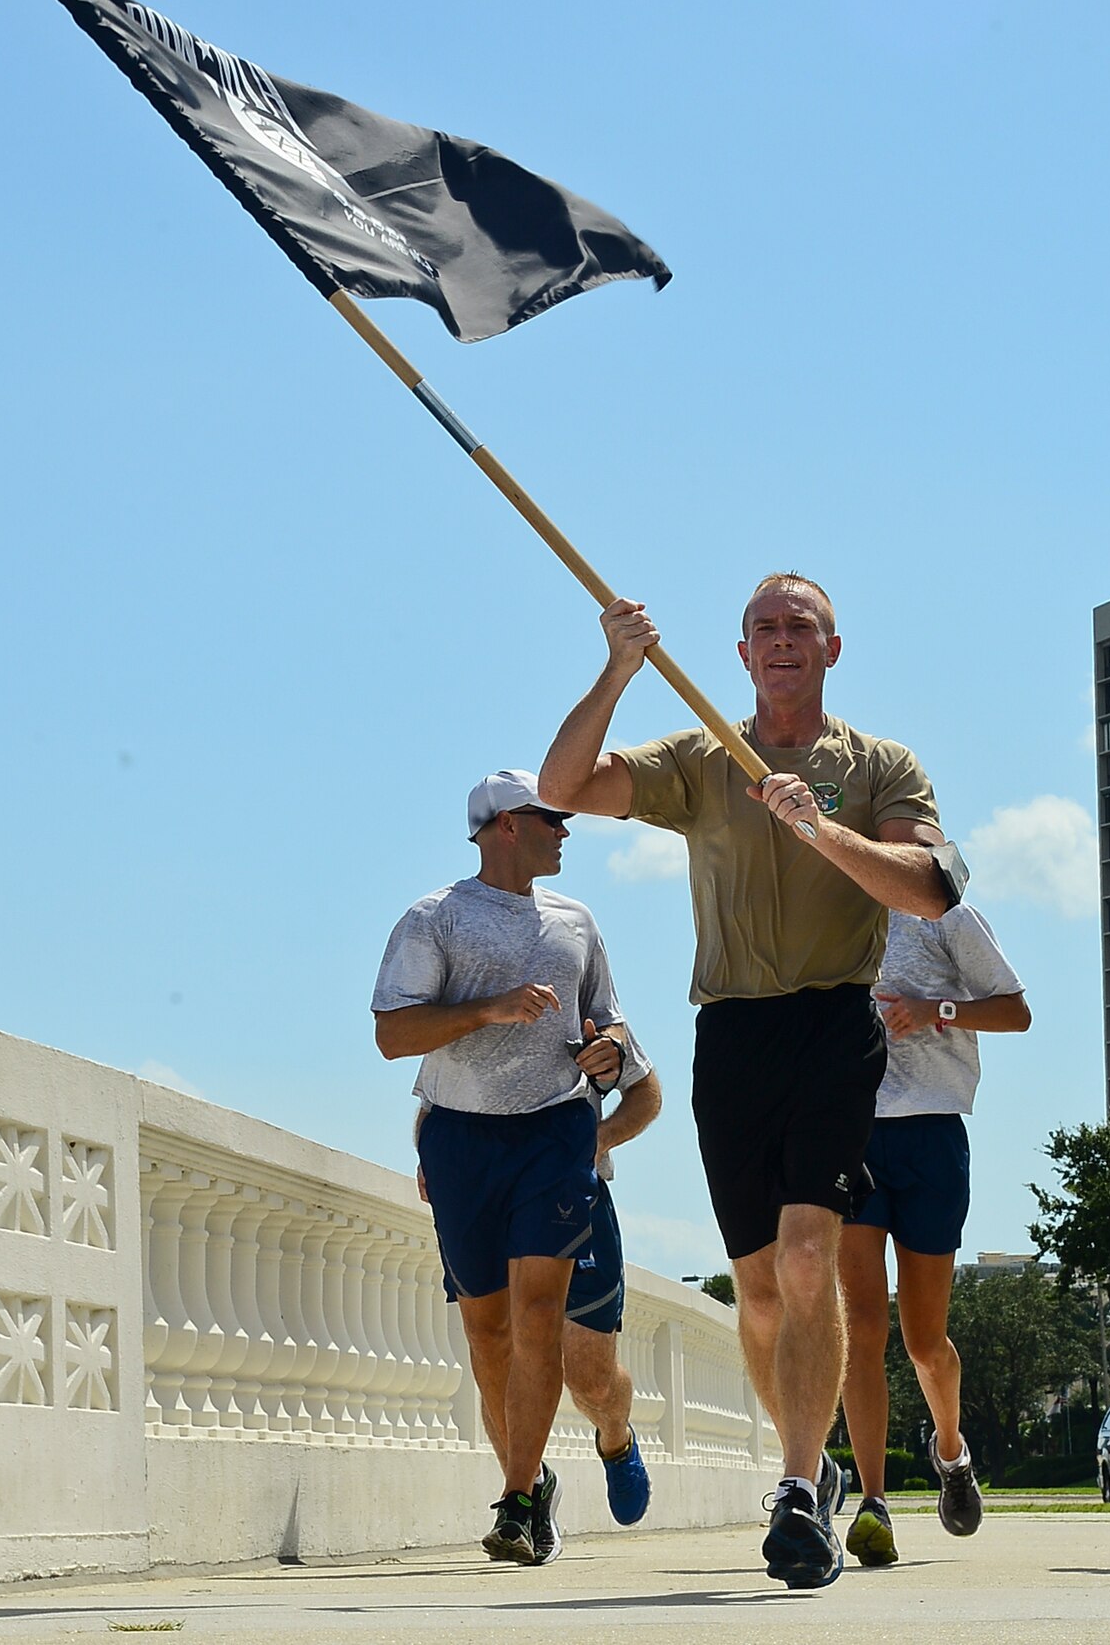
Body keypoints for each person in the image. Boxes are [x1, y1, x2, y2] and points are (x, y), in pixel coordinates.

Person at [539, 574, 956, 1589]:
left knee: (811, 1258)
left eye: (797, 627)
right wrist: (618, 667)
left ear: (829, 647)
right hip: (728, 1035)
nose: (780, 641)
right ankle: (799, 1470)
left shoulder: (879, 765)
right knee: (762, 1291)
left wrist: (819, 828)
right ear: (740, 653)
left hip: (831, 1023)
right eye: (763, 629)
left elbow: (931, 891)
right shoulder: (697, 758)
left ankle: (802, 1488)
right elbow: (559, 787)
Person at [373, 769, 647, 1567]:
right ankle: (528, 1481)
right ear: (502, 827)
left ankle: (519, 1502)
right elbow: (394, 1035)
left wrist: (610, 1049)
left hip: (556, 1134)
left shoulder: (577, 920)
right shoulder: (436, 918)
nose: (566, 830)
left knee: (537, 1318)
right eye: (549, 818)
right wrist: (489, 1009)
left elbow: (614, 1021)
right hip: (461, 1140)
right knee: (488, 1333)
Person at [838, 895, 1031, 1567]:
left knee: (925, 1341)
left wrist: (934, 1010)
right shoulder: (826, 906)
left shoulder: (946, 914)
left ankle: (951, 1452)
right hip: (852, 1134)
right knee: (861, 1326)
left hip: (932, 1134)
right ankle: (873, 1503)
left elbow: (1017, 1012)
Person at [416, 1051, 663, 1530]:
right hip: (485, 1191)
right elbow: (432, 1098)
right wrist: (431, 1158)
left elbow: (646, 1091)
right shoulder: (464, 1000)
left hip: (571, 1193)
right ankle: (525, 1493)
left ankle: (616, 1439)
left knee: (590, 1375)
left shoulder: (575, 994)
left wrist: (601, 1138)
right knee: (498, 1354)